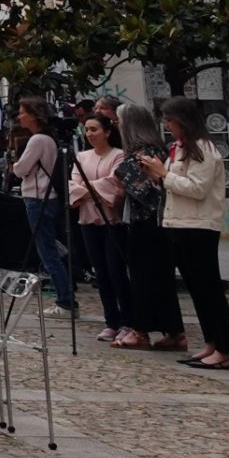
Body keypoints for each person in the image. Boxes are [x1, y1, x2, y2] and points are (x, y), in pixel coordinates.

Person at [136, 98, 229, 369]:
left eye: (169, 120)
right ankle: (211, 343)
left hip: (199, 226)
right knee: (196, 290)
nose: (167, 125)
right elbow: (175, 186)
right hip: (178, 223)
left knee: (209, 288)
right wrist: (156, 175)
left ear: (183, 120)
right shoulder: (178, 149)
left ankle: (225, 347)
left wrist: (164, 175)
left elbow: (198, 189)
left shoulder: (203, 149)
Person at [110, 102, 186, 352]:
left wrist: (124, 178)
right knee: (156, 278)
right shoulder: (148, 151)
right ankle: (172, 330)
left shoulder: (145, 153)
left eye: (119, 122)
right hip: (146, 222)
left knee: (146, 277)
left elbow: (149, 191)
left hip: (150, 223)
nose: (116, 126)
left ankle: (141, 330)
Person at [68, 113, 131, 346]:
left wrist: (85, 188)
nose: (90, 134)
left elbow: (114, 184)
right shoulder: (81, 156)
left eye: (94, 129)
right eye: (87, 130)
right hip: (88, 220)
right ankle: (111, 320)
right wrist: (89, 189)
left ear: (107, 131)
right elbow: (72, 185)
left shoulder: (118, 156)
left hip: (111, 221)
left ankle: (127, 319)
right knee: (101, 273)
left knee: (116, 271)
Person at [11, 96, 75, 318]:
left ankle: (65, 300)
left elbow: (21, 169)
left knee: (47, 251)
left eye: (22, 112)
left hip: (38, 196)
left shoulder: (38, 140)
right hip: (46, 196)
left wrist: (16, 165)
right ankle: (65, 293)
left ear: (33, 115)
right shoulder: (47, 138)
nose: (19, 116)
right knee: (48, 246)